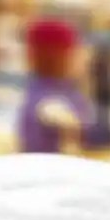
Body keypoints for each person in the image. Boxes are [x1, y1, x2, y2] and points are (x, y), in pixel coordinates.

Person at [17, 18, 102, 153]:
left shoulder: (68, 89)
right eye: (77, 53)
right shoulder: (45, 91)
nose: (86, 60)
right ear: (58, 58)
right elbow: (47, 108)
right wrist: (69, 123)